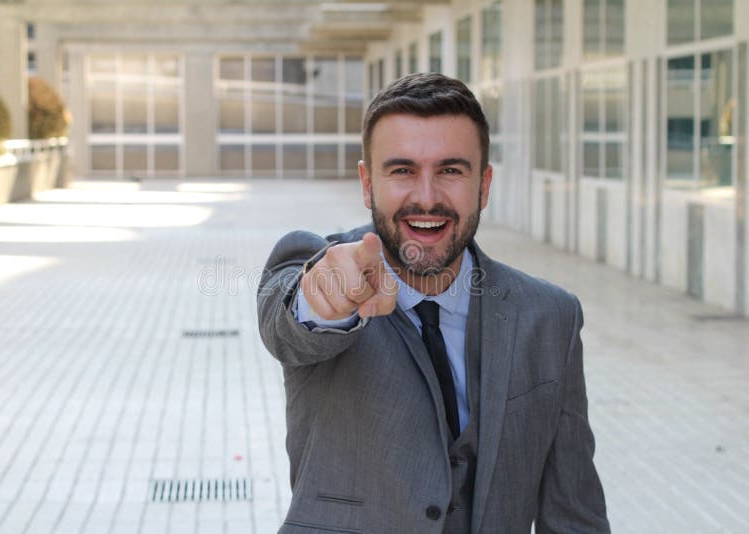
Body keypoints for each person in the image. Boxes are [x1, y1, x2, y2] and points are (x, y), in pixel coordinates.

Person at [257, 73, 609, 533]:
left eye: (450, 170)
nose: (426, 197)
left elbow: (574, 514)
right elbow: (286, 320)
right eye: (402, 170)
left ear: (483, 185)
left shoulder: (550, 317)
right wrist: (325, 300)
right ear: (367, 184)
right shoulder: (322, 270)